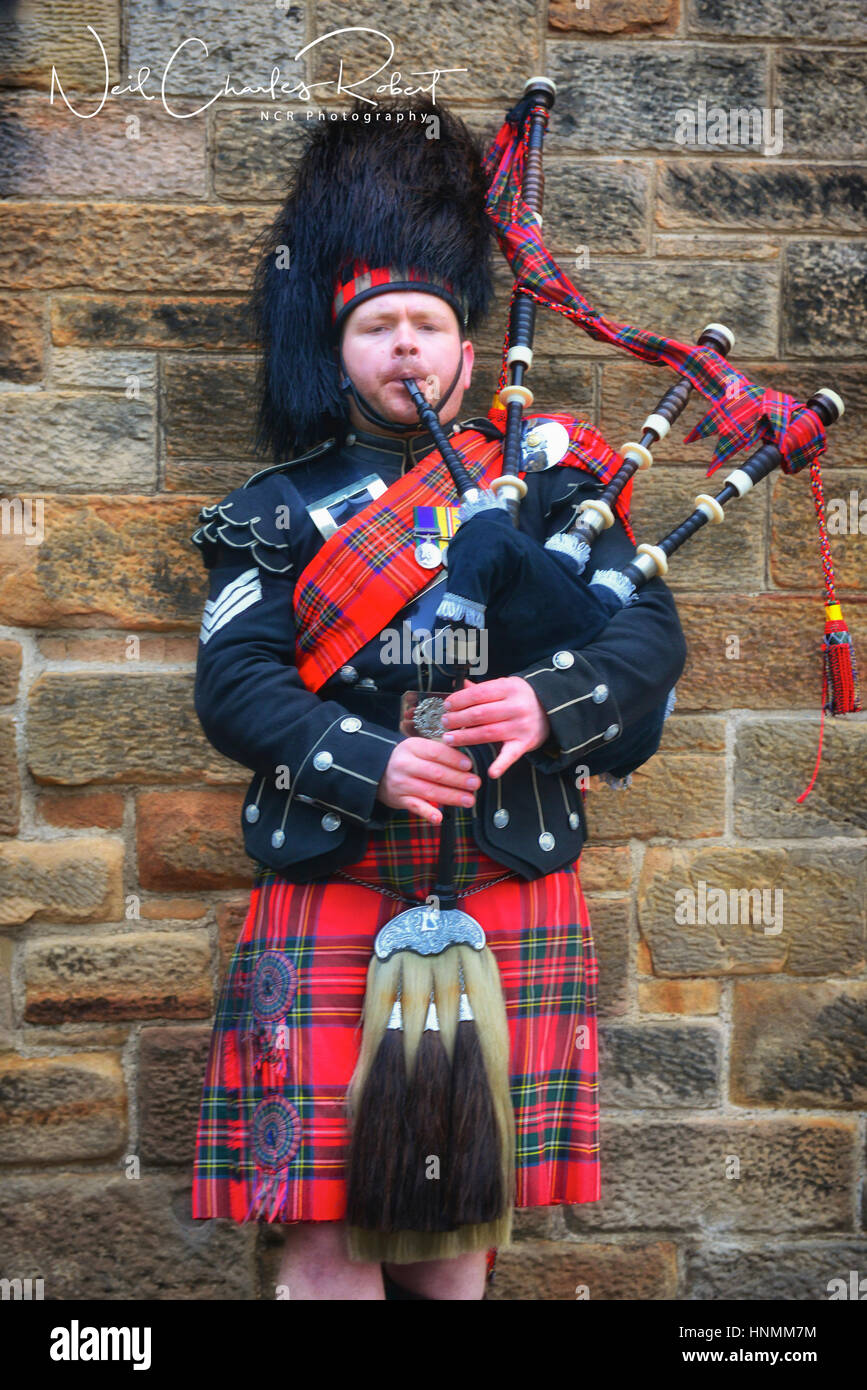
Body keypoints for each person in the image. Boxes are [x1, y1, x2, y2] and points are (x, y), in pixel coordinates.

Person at [189, 97, 686, 1300]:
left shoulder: (557, 484)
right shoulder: (276, 510)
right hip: (338, 877)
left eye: (428, 322)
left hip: (506, 871)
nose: (405, 345)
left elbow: (648, 638)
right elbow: (234, 685)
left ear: (469, 349)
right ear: (337, 347)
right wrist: (368, 758)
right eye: (378, 326)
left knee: (456, 1224)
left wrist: (547, 705)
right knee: (314, 1232)